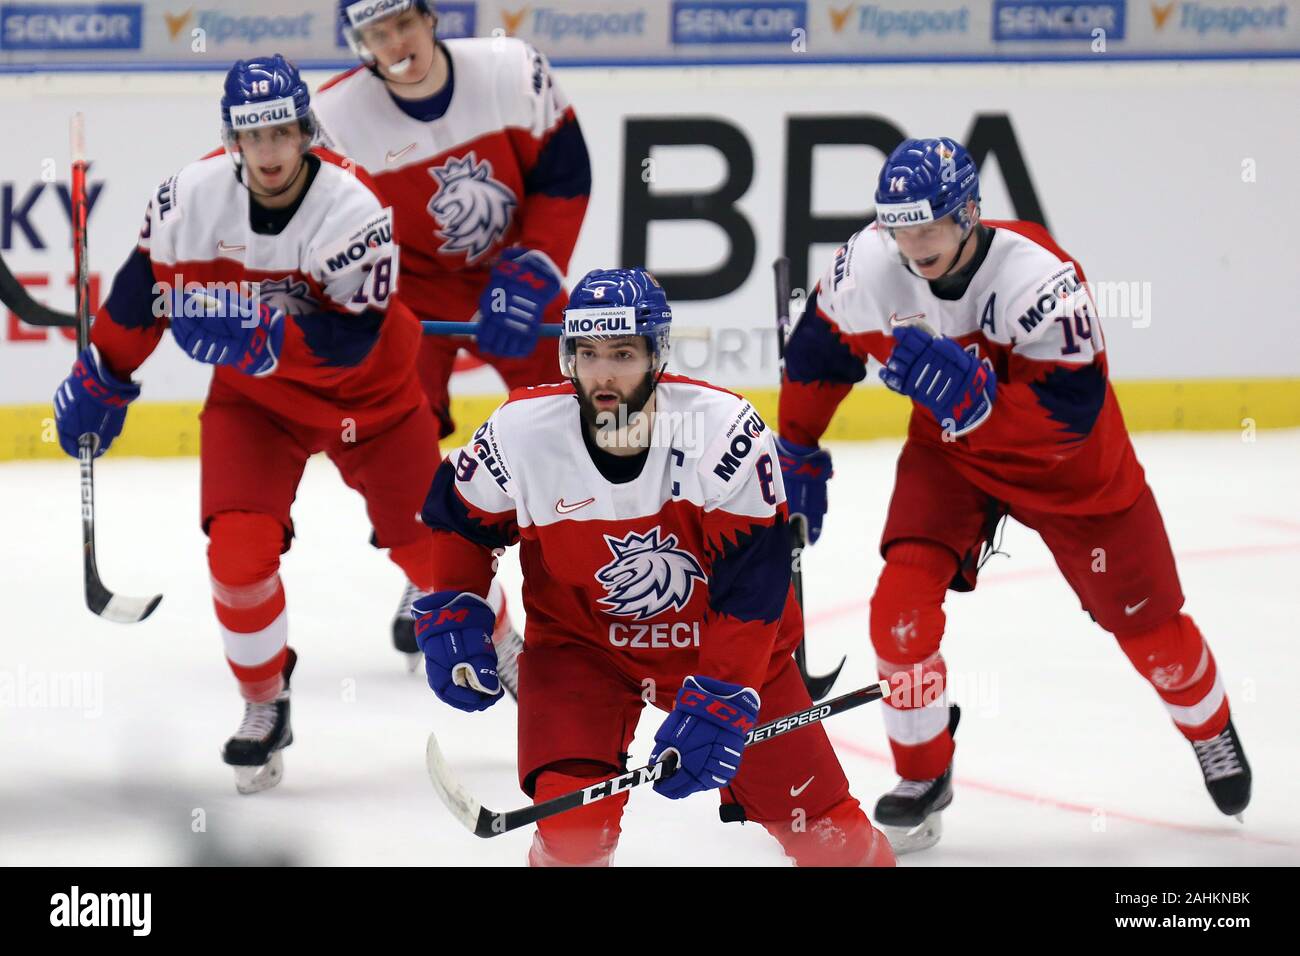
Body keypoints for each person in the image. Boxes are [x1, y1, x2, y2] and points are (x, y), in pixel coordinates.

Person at [776, 137, 1251, 853]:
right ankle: (921, 775)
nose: (912, 244)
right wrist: (797, 446)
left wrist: (988, 408)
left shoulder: (1039, 279)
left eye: (928, 226)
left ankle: (1210, 727)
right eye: (899, 227)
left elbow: (1074, 413)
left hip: (1074, 474)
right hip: (952, 457)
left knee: (1155, 638)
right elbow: (820, 345)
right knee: (898, 613)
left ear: (968, 214)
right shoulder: (873, 264)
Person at [409, 267, 895, 866]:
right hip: (582, 652)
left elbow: (753, 591)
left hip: (720, 649)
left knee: (834, 843)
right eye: (587, 353)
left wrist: (721, 694)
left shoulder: (720, 435)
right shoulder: (522, 432)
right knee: (571, 839)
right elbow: (460, 520)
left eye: (621, 353)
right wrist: (458, 605)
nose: (603, 374)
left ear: (657, 355)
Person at [51, 55, 442, 793]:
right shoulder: (188, 199)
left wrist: (271, 340)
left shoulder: (353, 207)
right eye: (252, 135)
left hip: (376, 402)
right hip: (258, 409)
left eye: (282, 133)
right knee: (238, 553)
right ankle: (265, 703)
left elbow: (355, 340)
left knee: (434, 554)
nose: (268, 152)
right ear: (232, 139)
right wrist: (105, 372)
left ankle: (506, 646)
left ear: (305, 131)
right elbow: (145, 291)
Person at [313, 0, 591, 660]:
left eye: (404, 23)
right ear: (361, 45)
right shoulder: (333, 118)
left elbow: (564, 171)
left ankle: (588, 554)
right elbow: (326, 230)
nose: (396, 43)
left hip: (515, 266)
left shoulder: (510, 69)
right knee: (396, 428)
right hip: (405, 290)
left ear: (432, 18)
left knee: (579, 401)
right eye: (378, 34)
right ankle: (436, 561)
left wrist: (537, 265)